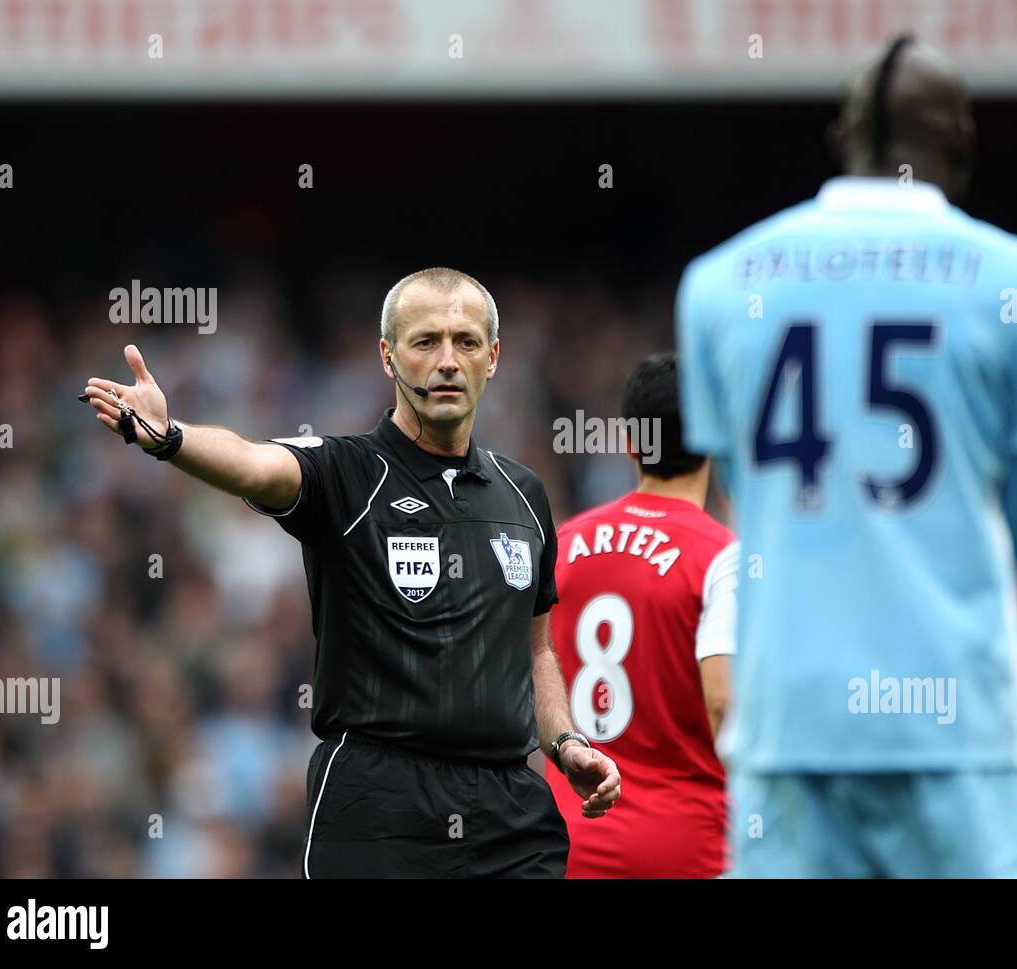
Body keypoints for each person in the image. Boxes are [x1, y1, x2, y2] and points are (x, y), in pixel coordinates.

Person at [676, 38, 1017, 877]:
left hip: (789, 719)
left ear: (839, 142)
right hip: (958, 725)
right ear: (963, 146)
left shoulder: (716, 283)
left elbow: (752, 501)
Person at [83, 266, 621, 878]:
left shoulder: (523, 495)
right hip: (377, 803)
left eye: (466, 342)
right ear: (388, 357)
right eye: (425, 342)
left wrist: (566, 743)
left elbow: (538, 650)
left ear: (493, 357)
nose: (448, 360)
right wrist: (169, 437)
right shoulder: (347, 474)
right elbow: (256, 465)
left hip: (510, 812)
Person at [544, 354, 737, 877]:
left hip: (566, 840)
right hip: (687, 849)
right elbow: (725, 705)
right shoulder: (725, 558)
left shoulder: (563, 542)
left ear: (631, 443)